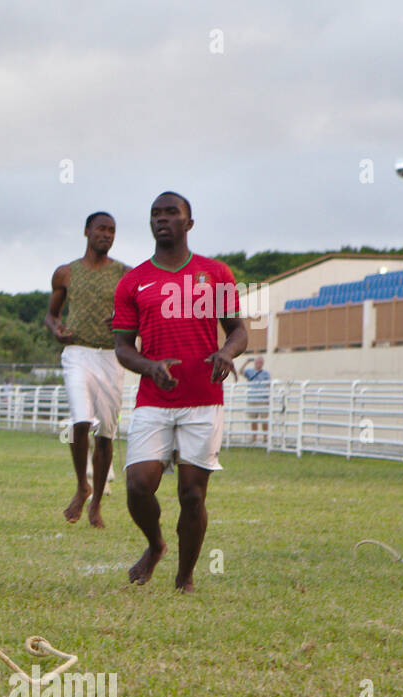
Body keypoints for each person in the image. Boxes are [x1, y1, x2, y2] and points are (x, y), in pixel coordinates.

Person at [112, 191, 247, 593]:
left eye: (172, 213)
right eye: (155, 213)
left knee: (192, 495)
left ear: (189, 223)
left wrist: (226, 352)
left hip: (203, 399)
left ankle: (185, 575)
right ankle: (155, 546)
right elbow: (122, 347)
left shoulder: (216, 273)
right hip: (154, 399)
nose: (162, 219)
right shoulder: (133, 281)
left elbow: (238, 329)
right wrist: (150, 366)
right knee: (138, 484)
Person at [45, 211, 129, 528]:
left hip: (111, 356)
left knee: (105, 434)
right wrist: (56, 329)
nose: (106, 235)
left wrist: (124, 320)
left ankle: (95, 505)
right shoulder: (66, 273)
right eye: (101, 229)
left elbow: (139, 313)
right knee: (81, 421)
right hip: (77, 352)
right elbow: (51, 315)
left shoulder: (125, 273)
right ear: (87, 232)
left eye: (112, 231)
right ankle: (82, 485)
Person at [240, 355, 270, 439]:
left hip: (262, 400)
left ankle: (265, 438)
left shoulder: (266, 374)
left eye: (260, 362)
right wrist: (247, 362)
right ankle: (254, 437)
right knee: (253, 420)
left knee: (264, 420)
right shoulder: (250, 371)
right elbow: (240, 371)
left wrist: (268, 398)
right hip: (252, 399)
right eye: (257, 362)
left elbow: (268, 385)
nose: (259, 364)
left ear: (263, 364)